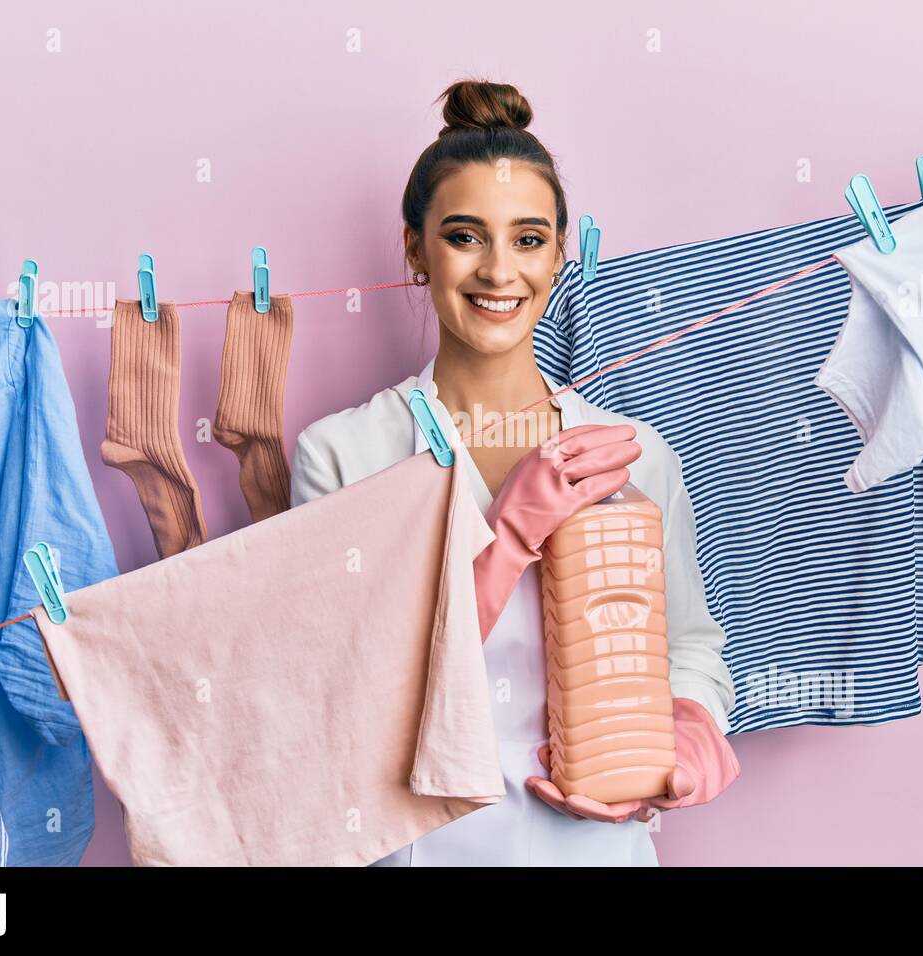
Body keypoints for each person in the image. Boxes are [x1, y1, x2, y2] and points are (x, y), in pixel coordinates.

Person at [289, 79, 739, 866]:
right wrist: (508, 536)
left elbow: (691, 648)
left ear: (561, 254)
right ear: (415, 249)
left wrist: (685, 744)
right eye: (466, 236)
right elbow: (352, 694)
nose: (500, 271)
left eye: (529, 239)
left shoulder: (634, 451)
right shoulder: (341, 454)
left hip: (601, 848)